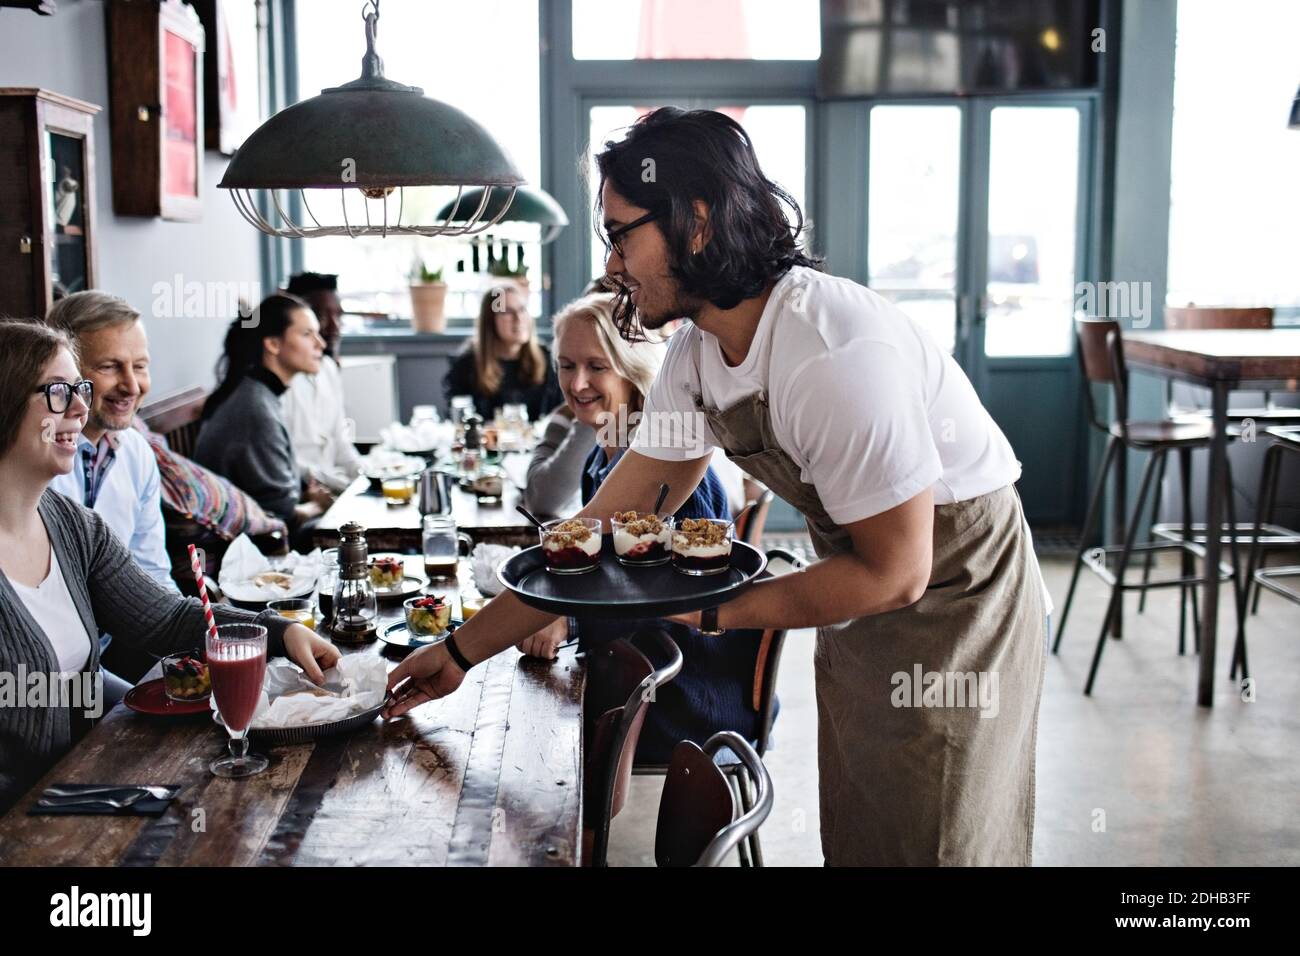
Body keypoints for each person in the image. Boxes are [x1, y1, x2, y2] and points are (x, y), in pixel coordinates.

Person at [385, 107, 1048, 867]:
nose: (611, 267)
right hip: (858, 576)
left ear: (696, 223)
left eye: (621, 235)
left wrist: (709, 609)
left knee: (942, 839)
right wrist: (461, 653)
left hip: (956, 593)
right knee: (868, 829)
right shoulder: (698, 357)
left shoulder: (828, 352)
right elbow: (603, 522)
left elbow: (898, 573)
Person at [0, 321, 339, 812]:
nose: (79, 407)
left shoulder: (70, 524)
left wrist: (280, 633)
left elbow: (166, 619)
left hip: (83, 783)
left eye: (80, 389)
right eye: (58, 392)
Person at [517, 293, 765, 760]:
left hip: (683, 698)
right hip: (636, 670)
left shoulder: (669, 473)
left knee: (529, 744)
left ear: (631, 368)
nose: (578, 382)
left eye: (597, 365)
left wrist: (565, 615)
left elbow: (662, 606)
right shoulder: (602, 455)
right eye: (566, 365)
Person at [45, 292, 175, 590]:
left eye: (140, 366)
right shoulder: (34, 454)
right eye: (109, 367)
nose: (132, 385)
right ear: (64, 372)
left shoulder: (137, 451)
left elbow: (152, 575)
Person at [194, 294, 333, 547]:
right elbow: (281, 517)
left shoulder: (258, 394)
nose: (321, 344)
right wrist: (317, 505)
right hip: (250, 548)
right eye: (307, 334)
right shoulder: (255, 408)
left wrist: (304, 491)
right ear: (273, 344)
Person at [281, 273, 363, 495]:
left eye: (338, 315)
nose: (334, 327)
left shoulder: (327, 369)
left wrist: (367, 476)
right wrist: (343, 486)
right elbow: (284, 466)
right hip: (302, 494)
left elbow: (342, 443)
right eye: (321, 316)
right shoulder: (279, 382)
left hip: (334, 486)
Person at [443, 283, 561, 422]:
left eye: (522, 309)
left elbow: (560, 417)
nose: (518, 318)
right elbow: (458, 421)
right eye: (507, 312)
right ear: (490, 321)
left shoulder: (549, 359)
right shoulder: (465, 366)